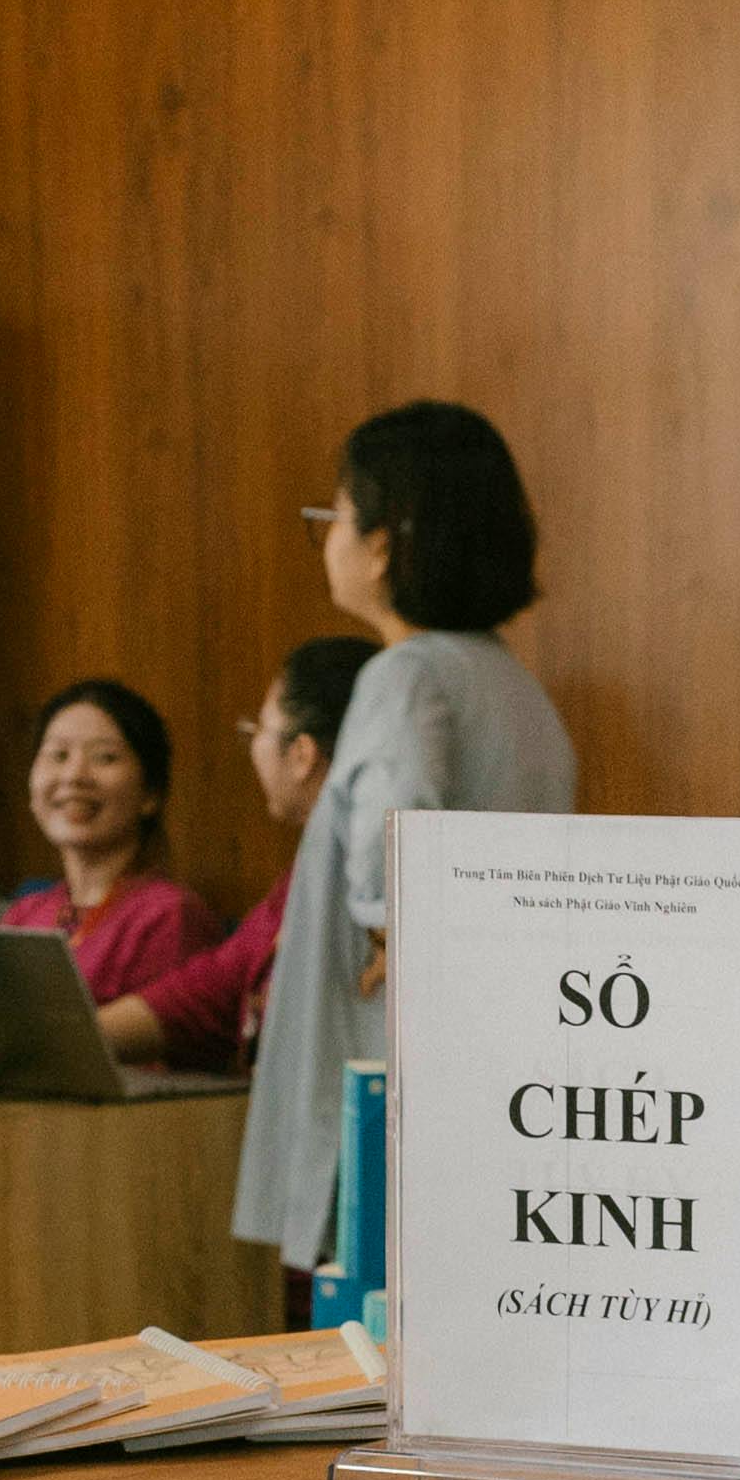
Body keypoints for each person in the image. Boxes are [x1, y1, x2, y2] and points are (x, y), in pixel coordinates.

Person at [232, 400, 576, 1271]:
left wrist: (392, 917)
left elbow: (399, 853)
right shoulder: (514, 686)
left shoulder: (404, 676)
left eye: (336, 516)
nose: (329, 540)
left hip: (394, 1077)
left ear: (383, 544)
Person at [101, 627, 379, 1063]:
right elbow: (214, 986)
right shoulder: (306, 874)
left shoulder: (366, 879)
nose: (255, 747)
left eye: (260, 729)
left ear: (302, 755)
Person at [0, 678, 222, 1021]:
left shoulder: (168, 917)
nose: (74, 775)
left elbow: (170, 1066)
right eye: (58, 755)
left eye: (105, 757)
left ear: (151, 794)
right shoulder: (22, 915)